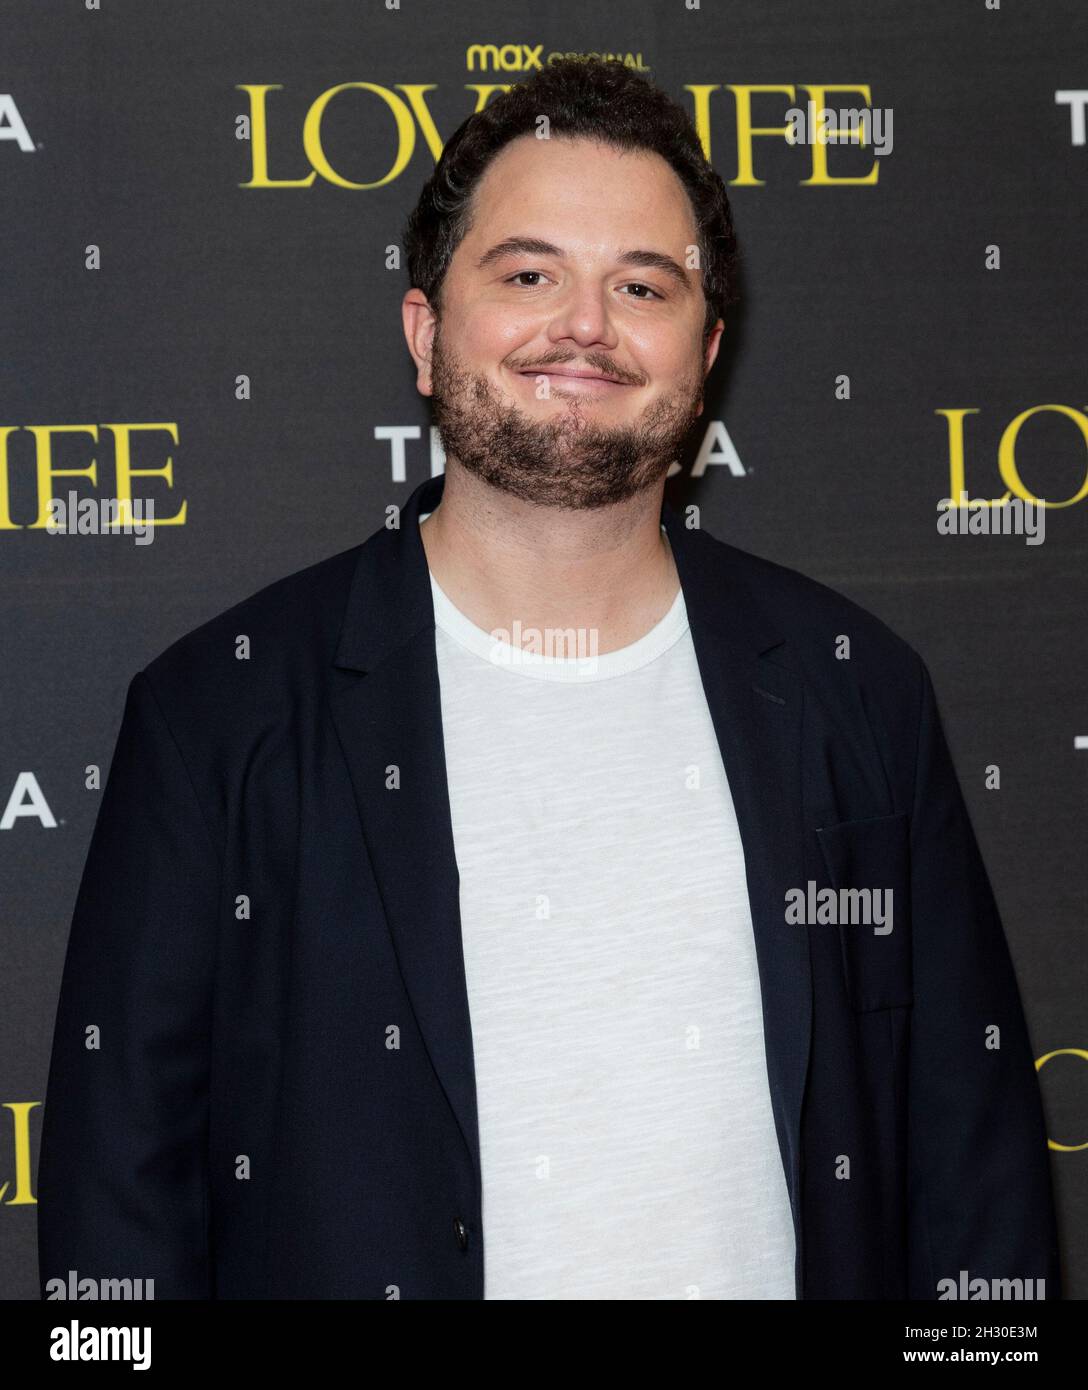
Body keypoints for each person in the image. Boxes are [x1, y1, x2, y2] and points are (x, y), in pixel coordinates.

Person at [37, 58, 1060, 1300]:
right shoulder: (220, 711)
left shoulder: (857, 692)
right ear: (424, 330)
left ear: (706, 351)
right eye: (527, 274)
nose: (585, 324)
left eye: (642, 284)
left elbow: (972, 1162)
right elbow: (118, 1204)